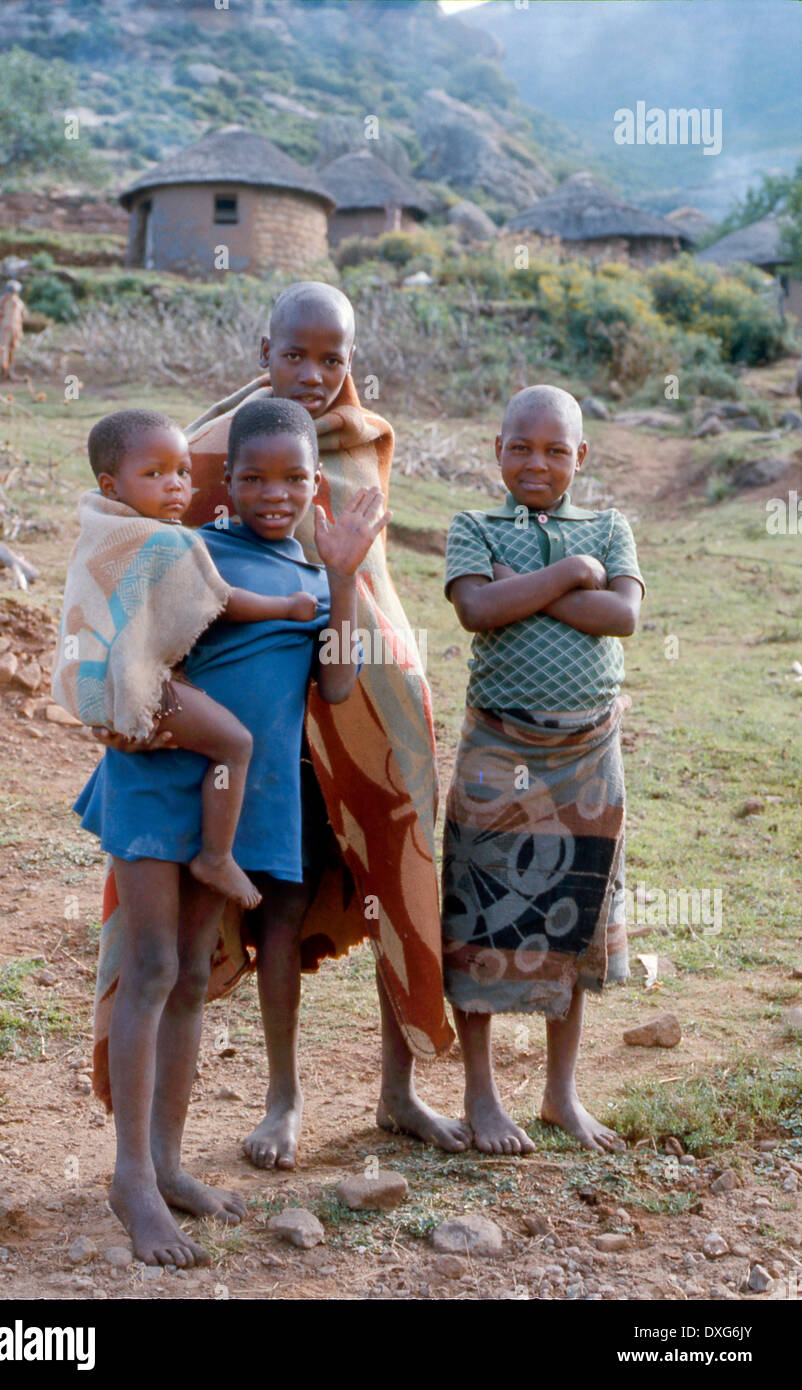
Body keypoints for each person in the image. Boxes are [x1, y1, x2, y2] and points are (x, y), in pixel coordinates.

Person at [73, 397, 388, 1263]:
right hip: (155, 778)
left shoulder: (322, 578)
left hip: (234, 798)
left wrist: (347, 577)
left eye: (294, 478)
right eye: (252, 477)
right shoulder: (192, 547)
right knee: (151, 969)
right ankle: (131, 1177)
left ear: (317, 484)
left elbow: (335, 688)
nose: (273, 493)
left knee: (189, 980)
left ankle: (168, 1166)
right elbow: (119, 638)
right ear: (227, 485)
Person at [174, 281, 467, 1168]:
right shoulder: (217, 456)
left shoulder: (366, 443)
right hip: (262, 726)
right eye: (294, 354)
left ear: (351, 362)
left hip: (369, 707)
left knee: (394, 885)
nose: (312, 373)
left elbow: (370, 589)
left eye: (331, 358)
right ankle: (283, 1098)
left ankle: (398, 1091)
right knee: (283, 901)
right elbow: (177, 581)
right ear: (262, 352)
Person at [442, 384, 645, 1155]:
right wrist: (569, 578)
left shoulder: (610, 527)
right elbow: (476, 611)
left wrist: (521, 588)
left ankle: (562, 1093)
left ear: (581, 457)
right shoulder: (473, 525)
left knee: (576, 912)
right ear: (496, 451)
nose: (537, 462)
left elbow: (621, 617)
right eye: (520, 447)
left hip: (588, 754)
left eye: (556, 450)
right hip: (500, 750)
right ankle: (482, 1095)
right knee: (478, 912)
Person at [53, 407, 319, 908]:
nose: (175, 486)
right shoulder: (165, 540)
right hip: (147, 687)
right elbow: (219, 601)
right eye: (154, 475)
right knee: (237, 744)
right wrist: (287, 606)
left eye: (181, 472)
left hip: (111, 687)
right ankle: (216, 857)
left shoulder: (103, 531)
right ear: (111, 486)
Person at [0, 279, 26, 379]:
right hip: (4, 328)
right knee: (1, 349)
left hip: (14, 329)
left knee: (12, 349)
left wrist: (19, 330)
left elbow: (21, 317)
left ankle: (9, 371)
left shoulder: (18, 302)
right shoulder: (3, 301)